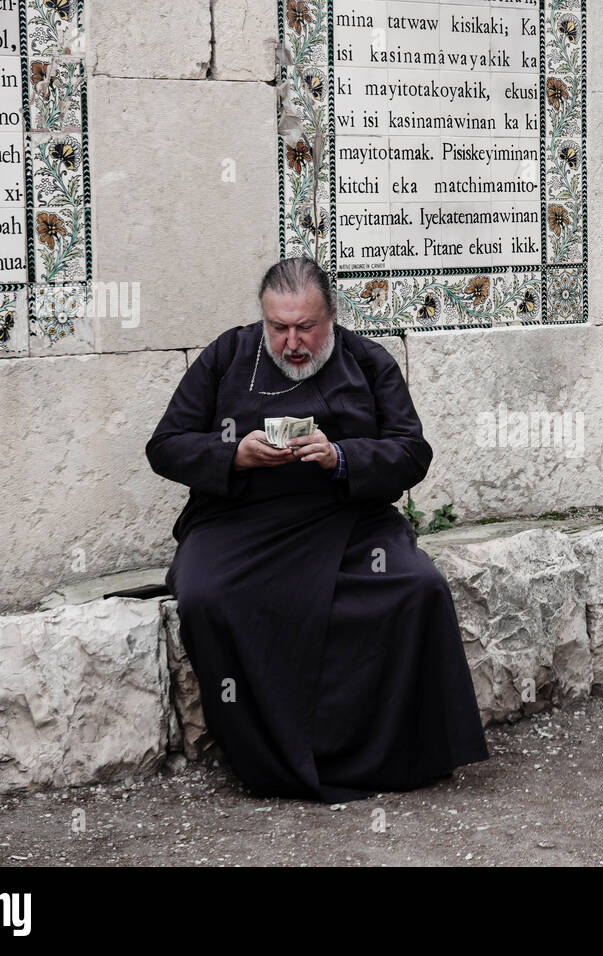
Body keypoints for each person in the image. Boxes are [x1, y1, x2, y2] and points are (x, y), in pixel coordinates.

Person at [145, 257, 490, 802]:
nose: (292, 342)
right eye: (278, 327)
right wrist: (233, 454)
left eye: (305, 326)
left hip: (348, 521)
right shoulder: (227, 356)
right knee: (208, 596)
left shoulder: (368, 362)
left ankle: (392, 757)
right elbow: (164, 446)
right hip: (238, 522)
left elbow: (411, 452)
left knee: (416, 588)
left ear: (332, 316)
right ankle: (266, 759)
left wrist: (341, 457)